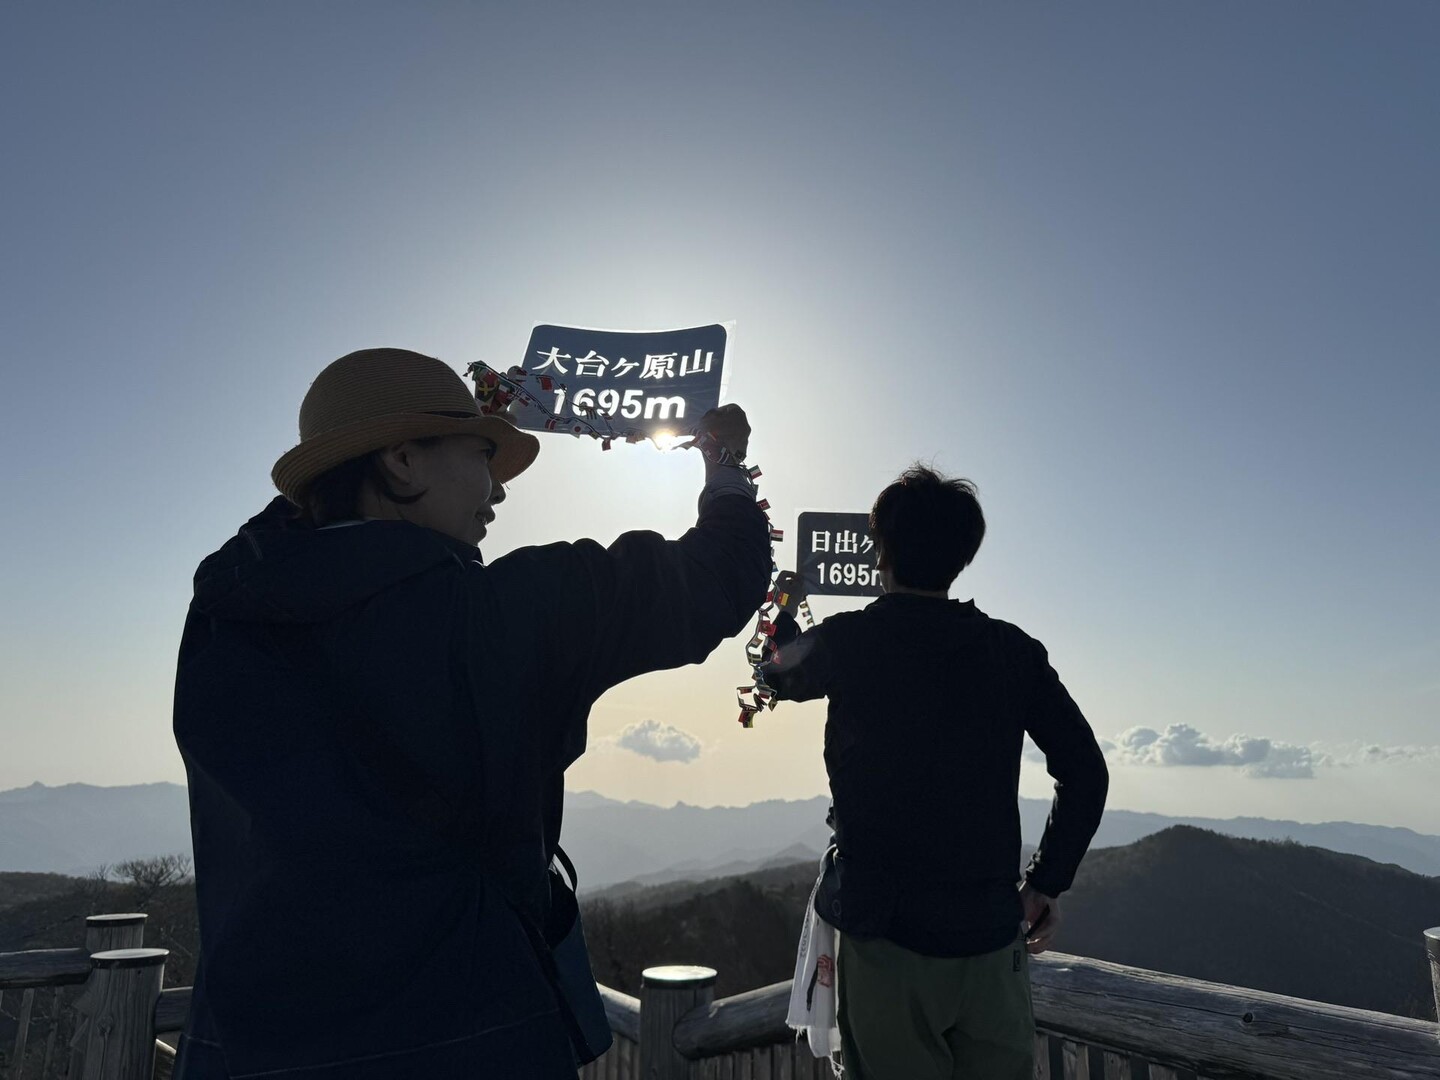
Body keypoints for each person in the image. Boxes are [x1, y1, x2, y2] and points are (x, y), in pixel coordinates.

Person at [172, 348, 770, 1078]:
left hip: (244, 1049)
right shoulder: (505, 618)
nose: (498, 492)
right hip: (468, 1036)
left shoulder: (223, 626)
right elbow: (719, 574)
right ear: (402, 462)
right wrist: (726, 462)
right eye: (482, 455)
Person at [762, 465, 1109, 1080]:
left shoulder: (851, 641)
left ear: (882, 553)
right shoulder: (1012, 652)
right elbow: (1086, 771)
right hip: (990, 941)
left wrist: (785, 607)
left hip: (885, 938)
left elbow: (779, 673)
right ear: (962, 557)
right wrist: (1046, 882)